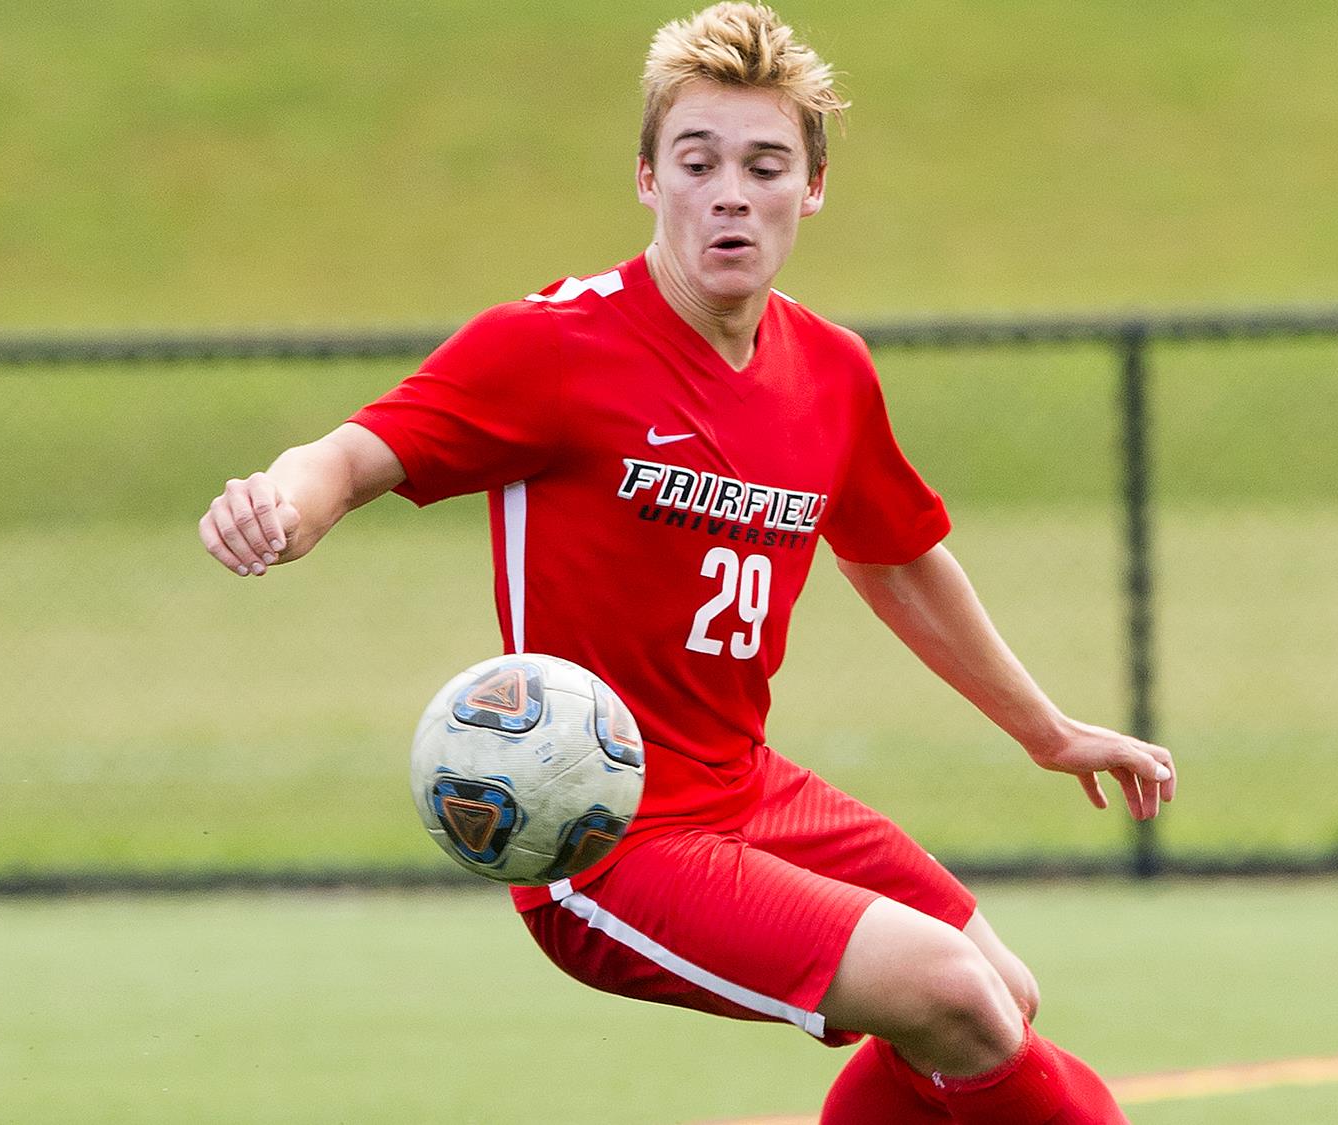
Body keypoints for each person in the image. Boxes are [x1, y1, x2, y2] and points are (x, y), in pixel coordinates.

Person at [199, 5, 1175, 1121]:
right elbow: (350, 456)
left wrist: (1045, 730)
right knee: (951, 992)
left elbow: (899, 559)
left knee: (999, 996)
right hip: (605, 836)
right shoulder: (551, 346)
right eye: (697, 161)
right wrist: (281, 507)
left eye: (764, 165)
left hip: (747, 789)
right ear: (646, 178)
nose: (729, 193)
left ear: (811, 187)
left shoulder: (831, 371)